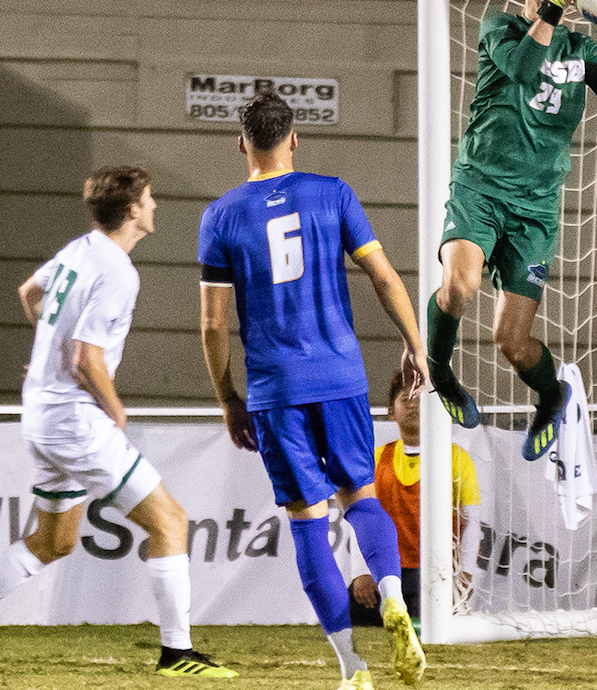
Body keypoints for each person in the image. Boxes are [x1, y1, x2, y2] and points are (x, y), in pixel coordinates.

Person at [198, 91, 428, 690]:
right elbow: (381, 275)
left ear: (242, 143)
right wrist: (415, 344)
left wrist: (227, 397)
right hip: (341, 376)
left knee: (307, 522)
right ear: (294, 138)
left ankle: (353, 668)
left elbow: (213, 323)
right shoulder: (334, 193)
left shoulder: (221, 216)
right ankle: (392, 594)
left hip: (276, 388)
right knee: (362, 496)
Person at [0, 166, 236, 678]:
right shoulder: (118, 271)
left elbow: (27, 294)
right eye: (148, 199)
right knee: (170, 521)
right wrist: (115, 407)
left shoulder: (80, 249)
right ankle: (177, 653)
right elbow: (88, 358)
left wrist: (48, 352)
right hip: (74, 420)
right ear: (132, 209)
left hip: (39, 412)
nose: (154, 206)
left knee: (53, 542)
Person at [427, 0, 597, 462]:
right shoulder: (498, 28)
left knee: (512, 343)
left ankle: (552, 398)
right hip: (479, 188)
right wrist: (554, 7)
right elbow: (526, 68)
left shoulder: (579, 48)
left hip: (535, 209)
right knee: (459, 288)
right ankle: (438, 371)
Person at [374, 370, 481, 622]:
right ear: (391, 411)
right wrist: (360, 573)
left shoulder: (456, 457)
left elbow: (472, 521)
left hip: (439, 572)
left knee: (430, 625)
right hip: (387, 571)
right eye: (406, 399)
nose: (413, 406)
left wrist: (465, 573)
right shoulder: (377, 459)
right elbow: (364, 520)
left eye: (420, 399)